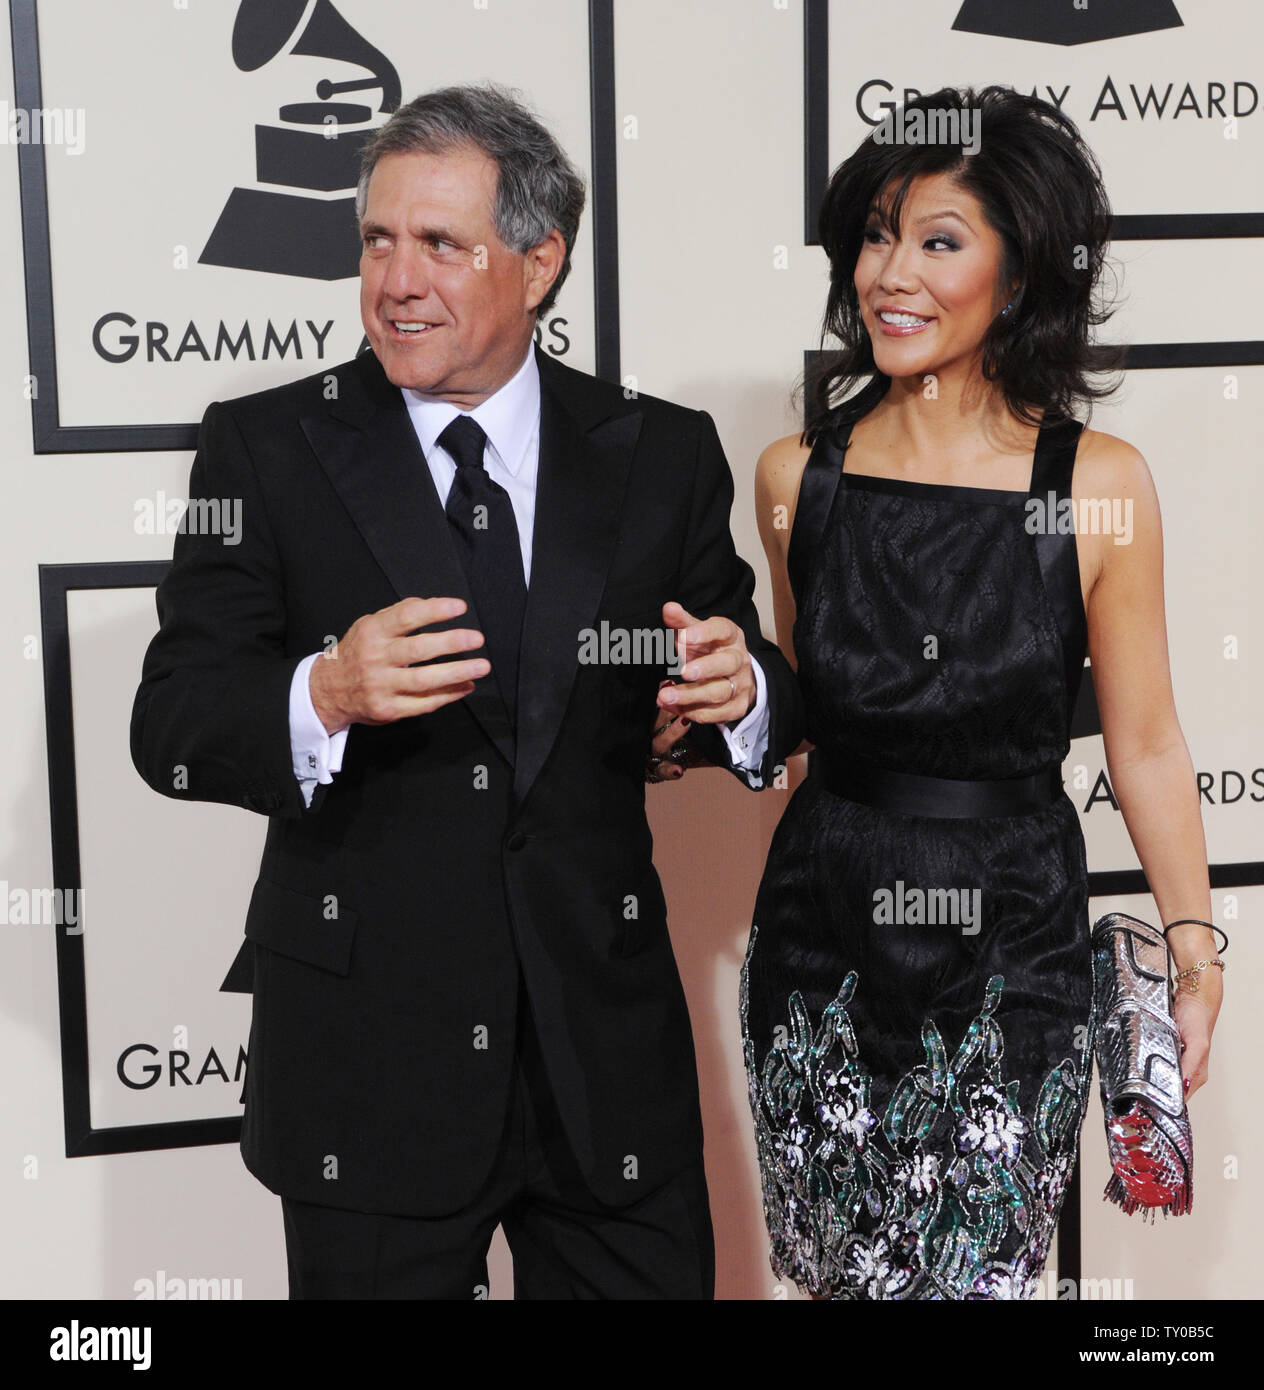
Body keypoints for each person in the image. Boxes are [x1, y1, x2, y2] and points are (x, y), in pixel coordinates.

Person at [130, 84, 802, 1300]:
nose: (395, 279)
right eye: (376, 240)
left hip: (604, 1068)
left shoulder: (659, 452)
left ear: (539, 262)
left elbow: (758, 690)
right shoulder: (266, 446)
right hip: (370, 1069)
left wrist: (733, 688)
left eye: (440, 243)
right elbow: (171, 721)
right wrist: (323, 691)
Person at [735, 85, 1222, 1300]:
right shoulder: (799, 473)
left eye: (938, 240)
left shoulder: (1098, 482)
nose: (891, 272)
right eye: (877, 233)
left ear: (1017, 277)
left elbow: (1148, 743)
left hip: (1011, 948)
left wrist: (1193, 950)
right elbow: (806, 718)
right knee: (837, 1279)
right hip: (821, 946)